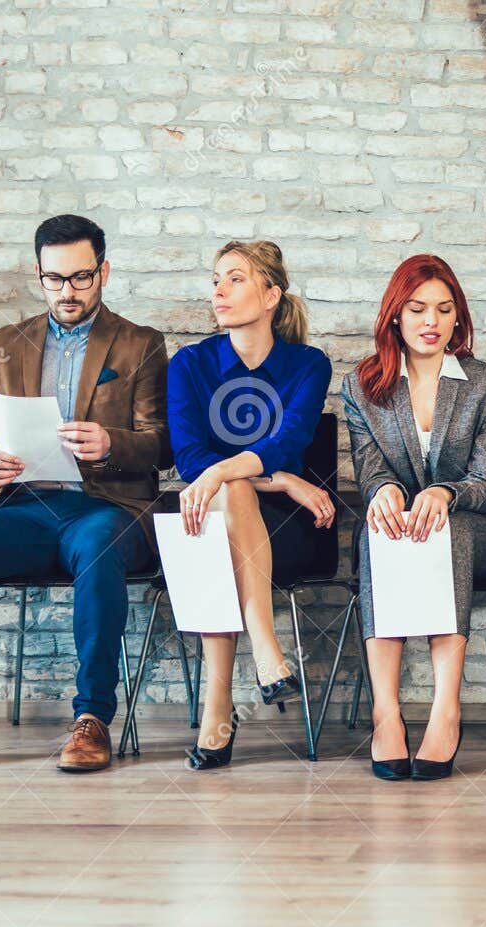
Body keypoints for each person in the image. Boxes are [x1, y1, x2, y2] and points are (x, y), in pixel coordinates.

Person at [0, 215, 169, 774]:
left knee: (97, 545)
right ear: (38, 274)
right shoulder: (7, 343)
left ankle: (92, 718)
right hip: (26, 508)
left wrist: (110, 442)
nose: (67, 292)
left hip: (108, 509)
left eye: (80, 278)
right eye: (55, 279)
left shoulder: (141, 344)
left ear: (104, 272)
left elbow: (163, 444)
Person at [341, 254, 486, 781]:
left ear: (458, 319)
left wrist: (444, 492)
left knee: (450, 529)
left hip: (477, 527)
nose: (431, 321)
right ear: (395, 315)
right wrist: (382, 493)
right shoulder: (362, 386)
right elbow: (369, 469)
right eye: (418, 308)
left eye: (444, 310)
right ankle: (386, 713)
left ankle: (446, 711)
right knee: (381, 531)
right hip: (400, 534)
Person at [166, 240, 334, 770]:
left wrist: (225, 470)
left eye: (235, 278)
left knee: (227, 494)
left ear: (270, 295)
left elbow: (287, 440)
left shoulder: (309, 365)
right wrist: (282, 479)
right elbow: (191, 458)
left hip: (291, 530)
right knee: (227, 496)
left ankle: (218, 708)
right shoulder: (189, 364)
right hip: (217, 512)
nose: (219, 290)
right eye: (216, 278)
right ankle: (265, 645)